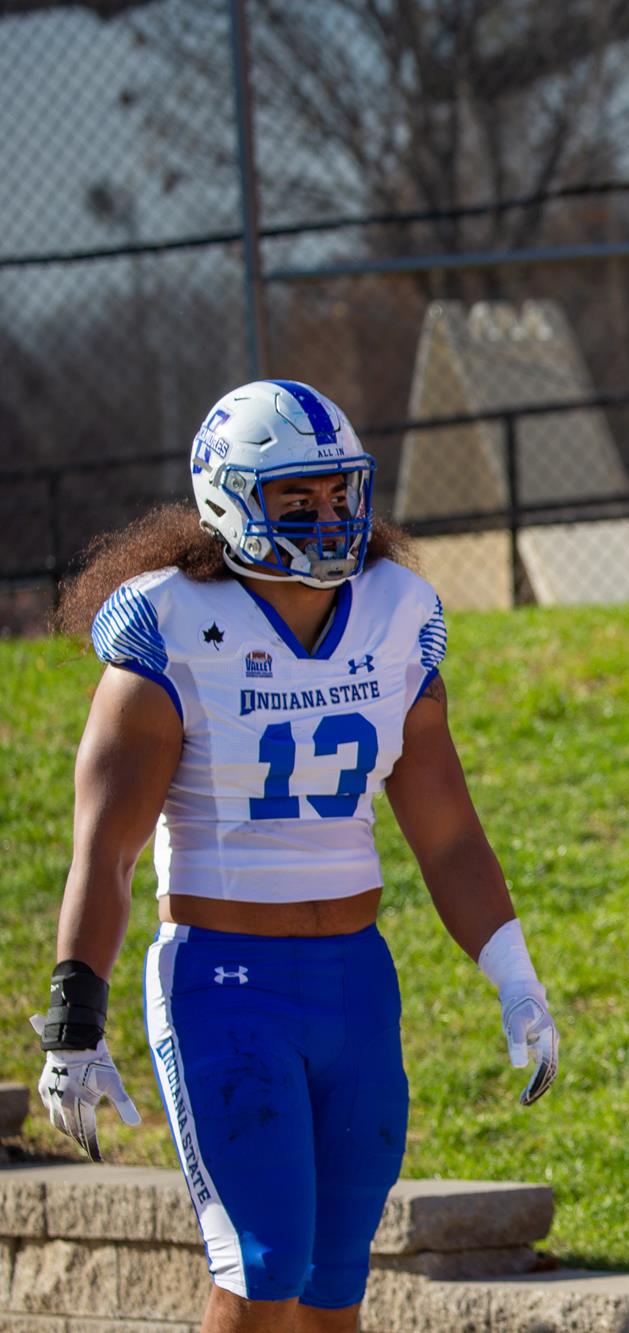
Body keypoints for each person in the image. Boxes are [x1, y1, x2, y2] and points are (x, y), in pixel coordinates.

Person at [33, 379, 560, 1333]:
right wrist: (76, 1014)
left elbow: (444, 828)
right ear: (231, 498)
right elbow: (104, 849)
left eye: (338, 493)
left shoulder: (398, 611)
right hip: (224, 980)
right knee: (261, 1264)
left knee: (332, 1279)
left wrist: (514, 972)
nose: (328, 519)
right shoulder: (171, 626)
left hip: (356, 978)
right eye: (296, 498)